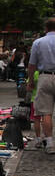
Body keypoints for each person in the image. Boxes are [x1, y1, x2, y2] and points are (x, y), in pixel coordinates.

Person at [28, 16, 55, 154]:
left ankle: (50, 143)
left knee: (46, 113)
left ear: (46, 28)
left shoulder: (38, 42)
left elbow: (32, 65)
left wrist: (31, 81)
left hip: (45, 77)